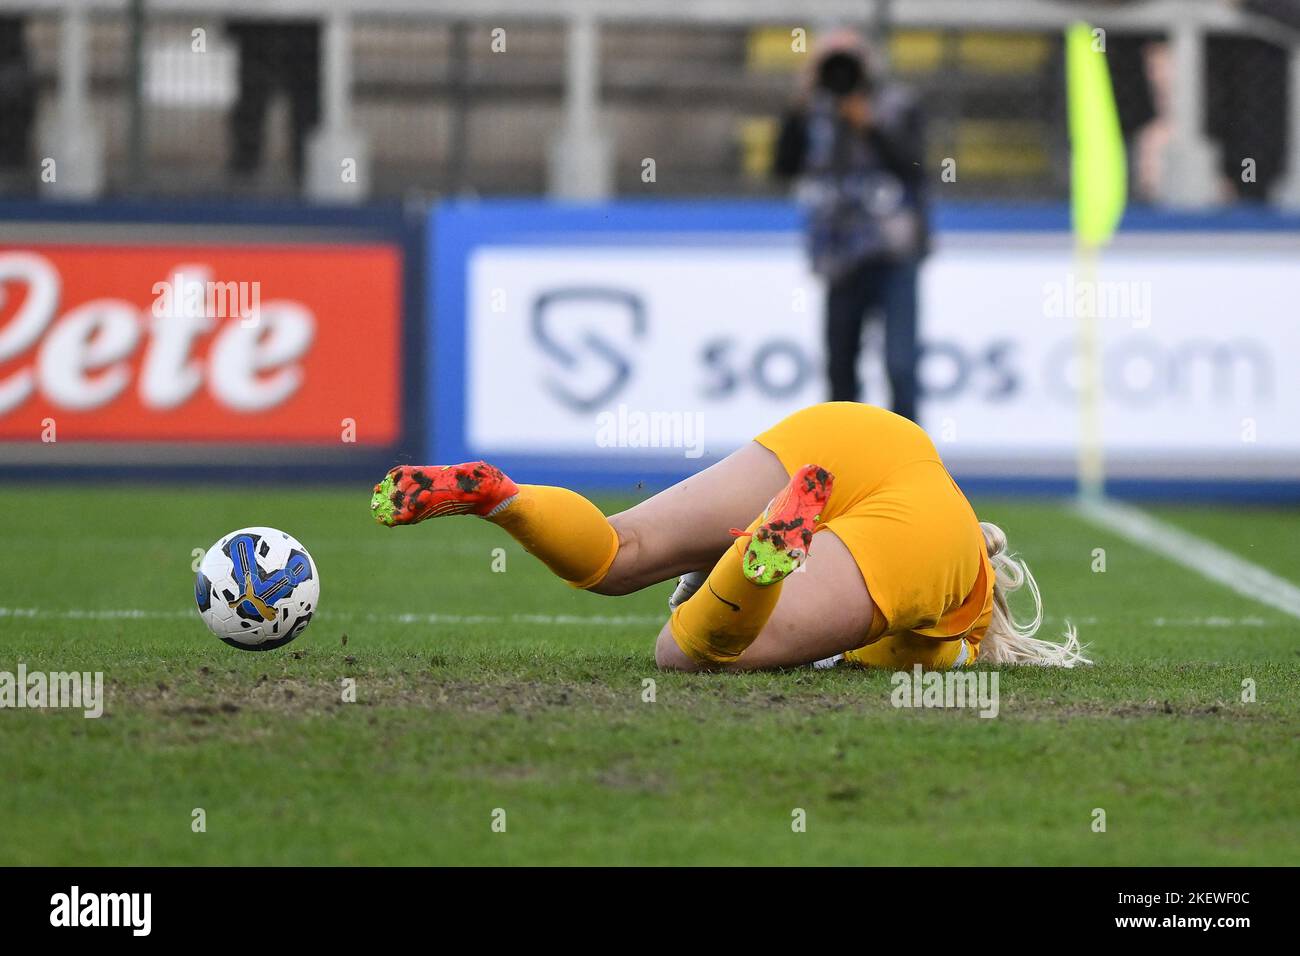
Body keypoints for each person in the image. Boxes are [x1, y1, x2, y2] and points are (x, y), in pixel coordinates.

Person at [370, 403, 1087, 672]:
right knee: (685, 648)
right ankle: (760, 556)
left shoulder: (958, 542)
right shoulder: (954, 629)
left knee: (621, 554)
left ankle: (502, 498)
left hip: (867, 433)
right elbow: (855, 653)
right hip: (914, 531)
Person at [773, 35, 927, 421]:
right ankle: (845, 469)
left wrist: (869, 125)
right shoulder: (813, 112)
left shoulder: (896, 104)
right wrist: (800, 102)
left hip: (892, 252)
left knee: (900, 364)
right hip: (838, 257)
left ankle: (909, 464)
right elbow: (782, 166)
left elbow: (915, 167)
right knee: (840, 371)